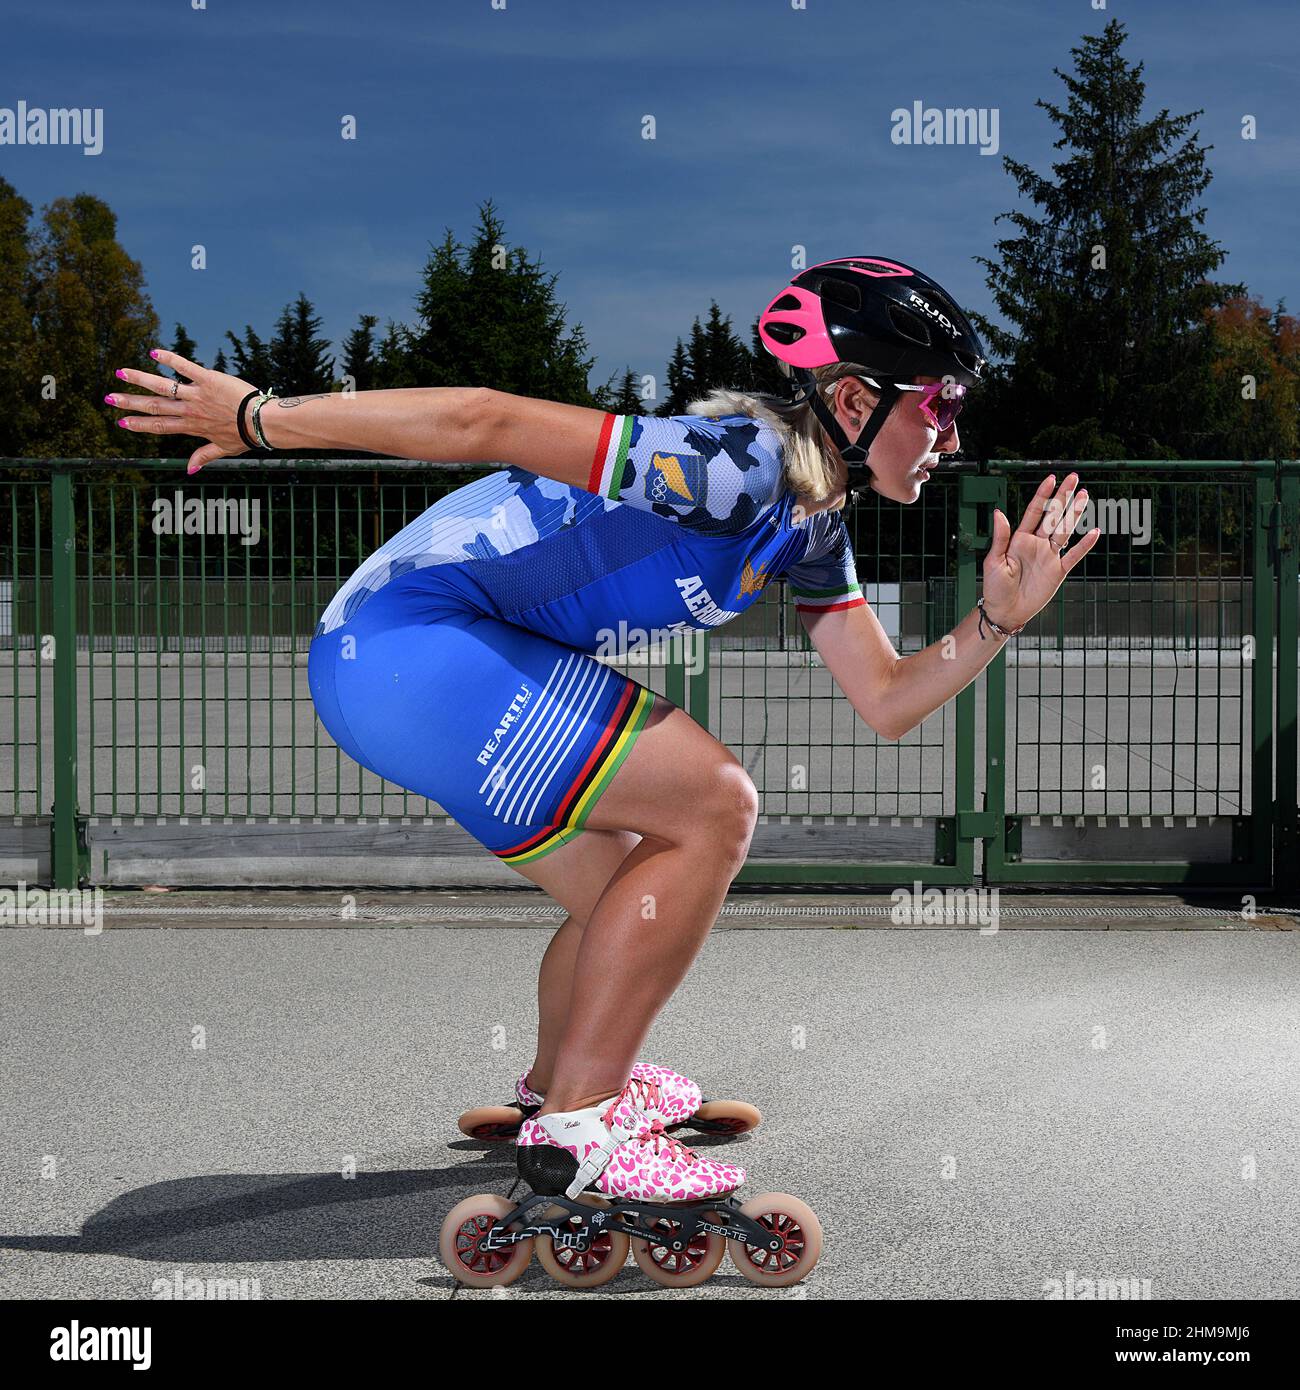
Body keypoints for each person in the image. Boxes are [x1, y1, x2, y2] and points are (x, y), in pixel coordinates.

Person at [108, 256, 1098, 1268]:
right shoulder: (734, 465)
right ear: (851, 396)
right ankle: (584, 1126)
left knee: (632, 881)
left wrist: (994, 620)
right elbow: (482, 422)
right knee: (715, 804)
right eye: (939, 405)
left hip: (408, 665)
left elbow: (884, 700)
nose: (952, 434)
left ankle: (563, 1083)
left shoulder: (810, 519)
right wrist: (262, 416)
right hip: (415, 646)